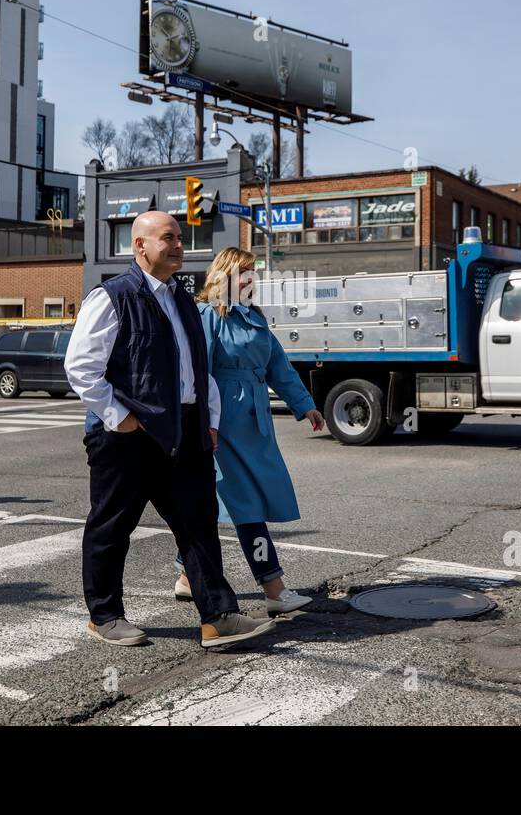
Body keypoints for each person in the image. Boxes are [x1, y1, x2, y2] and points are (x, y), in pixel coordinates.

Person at [63, 210, 274, 649]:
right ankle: (104, 615)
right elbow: (81, 367)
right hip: (126, 436)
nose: (178, 245)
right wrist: (119, 417)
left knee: (198, 522)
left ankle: (218, 617)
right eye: (168, 238)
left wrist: (209, 420)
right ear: (140, 246)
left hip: (185, 431)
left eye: (180, 237)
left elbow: (199, 369)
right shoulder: (112, 297)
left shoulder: (182, 299)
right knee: (113, 524)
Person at [173, 247, 326, 615]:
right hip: (223, 423)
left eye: (252, 272)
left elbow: (279, 365)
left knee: (216, 501)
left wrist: (305, 405)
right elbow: (198, 374)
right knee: (246, 503)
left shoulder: (253, 317)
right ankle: (273, 587)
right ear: (224, 274)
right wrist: (205, 424)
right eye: (243, 272)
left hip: (254, 422)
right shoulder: (208, 315)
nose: (250, 279)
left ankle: (185, 576)